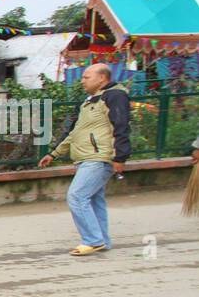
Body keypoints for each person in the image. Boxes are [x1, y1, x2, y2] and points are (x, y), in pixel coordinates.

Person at [39, 63, 131, 255]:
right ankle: (102, 240)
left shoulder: (115, 96)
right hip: (87, 158)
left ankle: (92, 240)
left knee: (77, 196)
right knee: (94, 200)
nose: (82, 81)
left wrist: (120, 156)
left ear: (102, 78)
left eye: (86, 77)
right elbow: (75, 133)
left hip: (98, 158)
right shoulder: (90, 101)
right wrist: (53, 154)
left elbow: (121, 125)